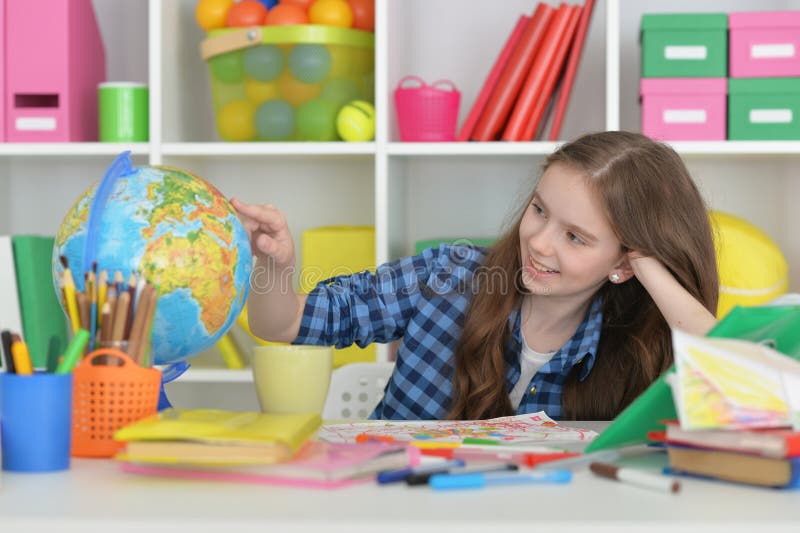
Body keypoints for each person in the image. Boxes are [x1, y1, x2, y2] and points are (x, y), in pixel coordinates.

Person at [231, 131, 719, 421]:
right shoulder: (448, 276)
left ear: (623, 262)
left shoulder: (639, 343)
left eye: (576, 237)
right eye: (539, 210)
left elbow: (742, 382)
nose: (540, 242)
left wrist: (652, 267)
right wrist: (274, 263)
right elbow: (282, 325)